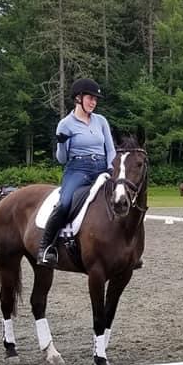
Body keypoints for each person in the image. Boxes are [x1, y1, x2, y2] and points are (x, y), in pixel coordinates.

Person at [37, 78, 116, 267]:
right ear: (78, 98)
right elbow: (62, 159)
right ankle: (46, 247)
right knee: (64, 204)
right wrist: (61, 143)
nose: (93, 102)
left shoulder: (101, 121)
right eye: (90, 98)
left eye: (95, 99)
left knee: (121, 199)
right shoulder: (65, 124)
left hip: (102, 167)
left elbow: (111, 148)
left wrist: (111, 166)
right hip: (78, 169)